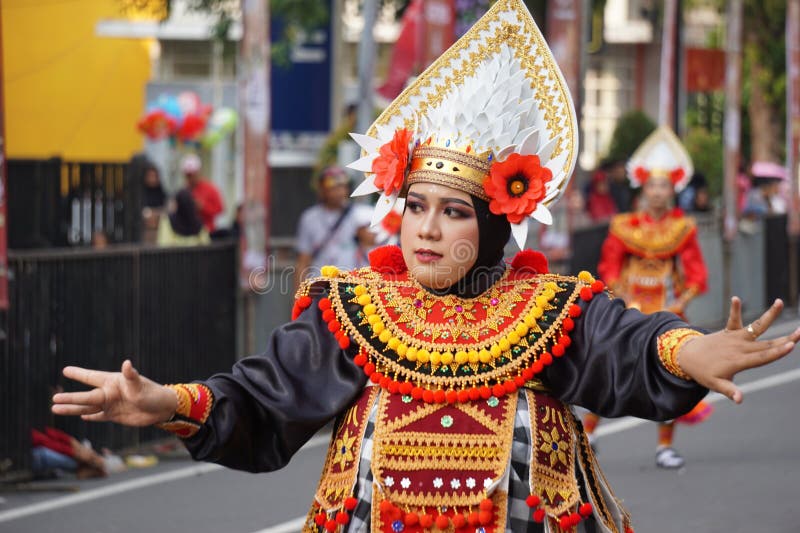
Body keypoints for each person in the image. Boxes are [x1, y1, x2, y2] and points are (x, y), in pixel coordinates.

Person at [51, 2, 799, 532]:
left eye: (454, 211)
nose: (427, 230)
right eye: (415, 206)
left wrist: (691, 349)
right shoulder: (353, 312)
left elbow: (624, 347)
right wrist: (170, 402)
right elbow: (263, 401)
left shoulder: (550, 309)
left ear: (498, 221)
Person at [584, 126, 710, 469]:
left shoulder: (682, 229)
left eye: (664, 186)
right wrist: (619, 293)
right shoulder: (624, 226)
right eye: (652, 185)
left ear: (672, 190)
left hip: (666, 310)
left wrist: (682, 301)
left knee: (670, 374)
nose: (657, 192)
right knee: (611, 368)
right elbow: (609, 266)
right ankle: (589, 433)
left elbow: (696, 273)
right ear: (644, 187)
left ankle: (664, 446)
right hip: (631, 309)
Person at [294, 166, 375, 289]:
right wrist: (297, 294)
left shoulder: (359, 215)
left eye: (343, 187)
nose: (340, 192)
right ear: (322, 190)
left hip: (351, 286)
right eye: (334, 187)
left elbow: (373, 242)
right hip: (320, 286)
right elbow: (303, 260)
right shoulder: (309, 218)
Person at [180, 153, 224, 233]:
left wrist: (203, 207)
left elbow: (220, 209)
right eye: (188, 175)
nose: (190, 178)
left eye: (192, 175)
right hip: (188, 232)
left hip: (207, 231)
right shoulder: (183, 191)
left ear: (198, 172)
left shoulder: (210, 189)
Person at [141, 163, 167, 244]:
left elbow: (165, 206)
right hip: (145, 228)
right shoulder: (142, 192)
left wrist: (157, 213)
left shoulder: (161, 191)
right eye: (150, 176)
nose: (152, 179)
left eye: (154, 176)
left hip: (160, 227)